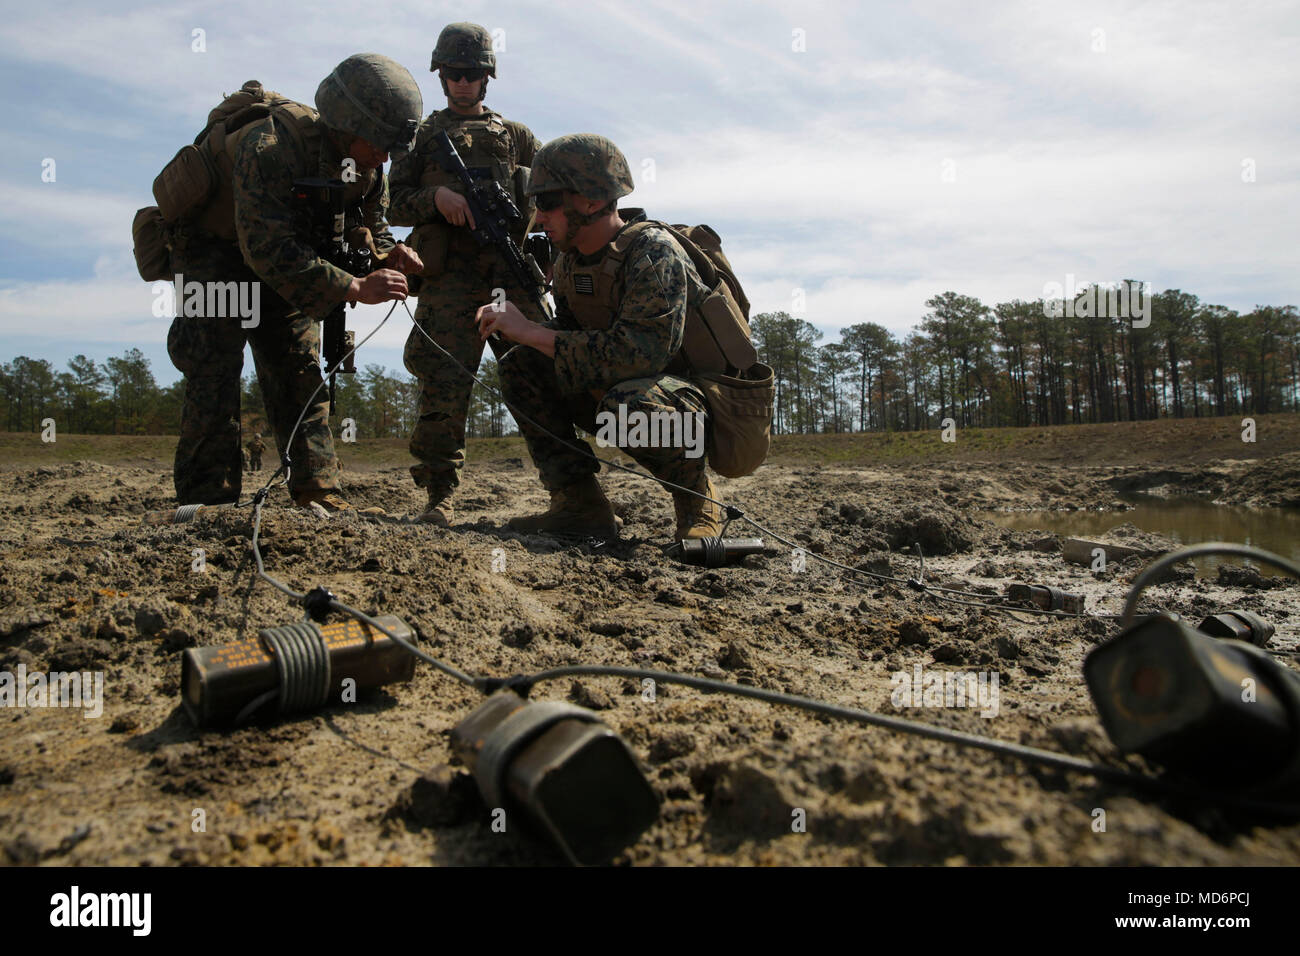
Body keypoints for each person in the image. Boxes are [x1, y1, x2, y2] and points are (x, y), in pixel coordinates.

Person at [166, 54, 424, 511]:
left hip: (292, 259)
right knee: (213, 372)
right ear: (347, 124)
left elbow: (372, 225)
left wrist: (387, 255)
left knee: (298, 369)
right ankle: (207, 503)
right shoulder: (269, 147)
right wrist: (353, 288)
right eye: (379, 143)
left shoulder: (368, 167)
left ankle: (316, 492)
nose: (386, 156)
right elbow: (264, 247)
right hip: (215, 254)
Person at [475, 133, 724, 541]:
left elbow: (639, 355)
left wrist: (533, 331)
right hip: (622, 390)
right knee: (522, 364)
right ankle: (578, 504)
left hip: (689, 403)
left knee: (629, 403)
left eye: (548, 203)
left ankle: (697, 498)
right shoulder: (570, 260)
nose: (538, 218)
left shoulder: (652, 252)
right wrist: (520, 330)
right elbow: (575, 337)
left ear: (591, 201)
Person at [388, 22, 544, 527]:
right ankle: (439, 495)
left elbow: (549, 196)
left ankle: (572, 492)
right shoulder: (421, 138)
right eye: (453, 73)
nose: (461, 83)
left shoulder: (516, 137)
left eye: (471, 74)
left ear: (487, 76)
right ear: (441, 74)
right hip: (450, 280)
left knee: (536, 378)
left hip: (510, 277)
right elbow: (389, 202)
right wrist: (435, 198)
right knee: (444, 387)